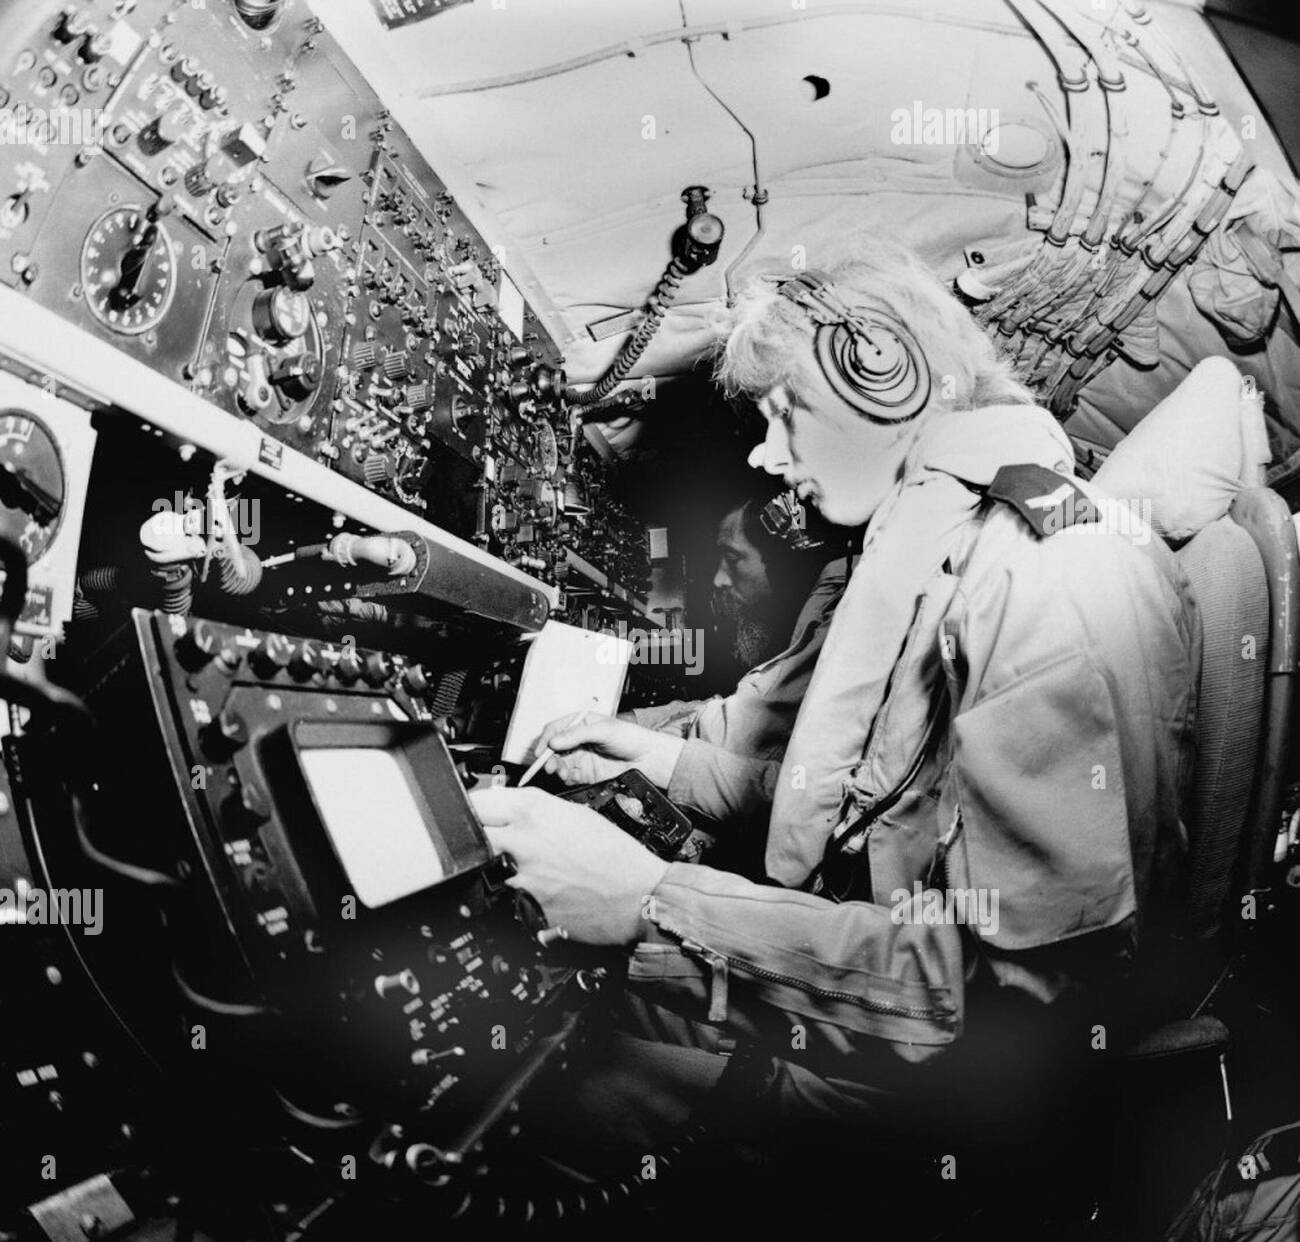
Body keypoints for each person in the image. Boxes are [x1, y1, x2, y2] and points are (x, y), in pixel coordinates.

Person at [470, 242, 1199, 1157]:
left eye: (783, 415)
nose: (767, 456)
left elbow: (1014, 1010)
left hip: (962, 1111)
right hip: (897, 1009)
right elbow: (871, 815)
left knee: (534, 1051)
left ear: (884, 375)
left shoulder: (1048, 581)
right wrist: (665, 758)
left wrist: (652, 903)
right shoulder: (939, 555)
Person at [626, 495, 848, 761]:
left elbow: (736, 733)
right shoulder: (805, 622)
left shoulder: (834, 617)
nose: (719, 580)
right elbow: (726, 708)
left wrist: (626, 734)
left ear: (783, 565)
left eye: (732, 557)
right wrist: (636, 720)